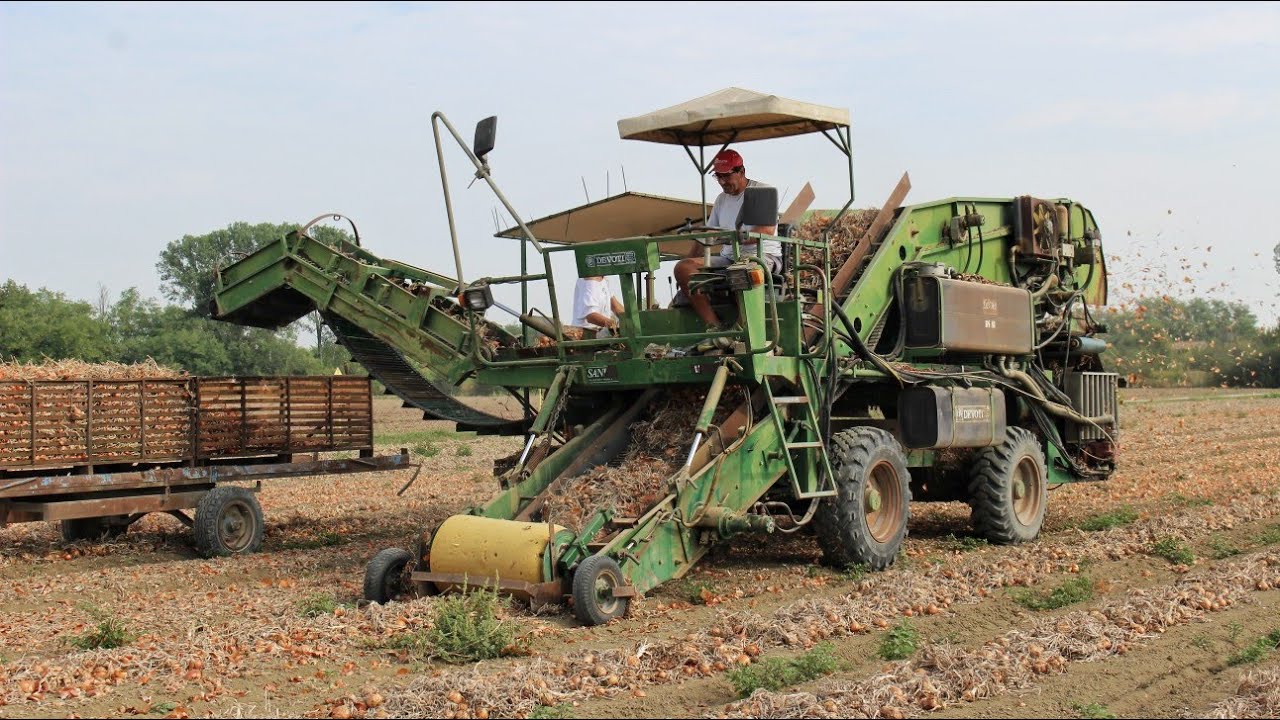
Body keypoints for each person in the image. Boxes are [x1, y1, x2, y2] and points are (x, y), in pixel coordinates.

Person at [673, 148, 780, 329]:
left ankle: (743, 330)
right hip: (729, 258)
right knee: (683, 268)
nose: (722, 181)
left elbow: (765, 230)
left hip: (761, 256)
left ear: (742, 171)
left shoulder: (760, 192)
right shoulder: (722, 200)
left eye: (726, 176)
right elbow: (707, 236)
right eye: (718, 177)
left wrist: (732, 239)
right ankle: (715, 329)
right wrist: (687, 262)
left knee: (740, 270)